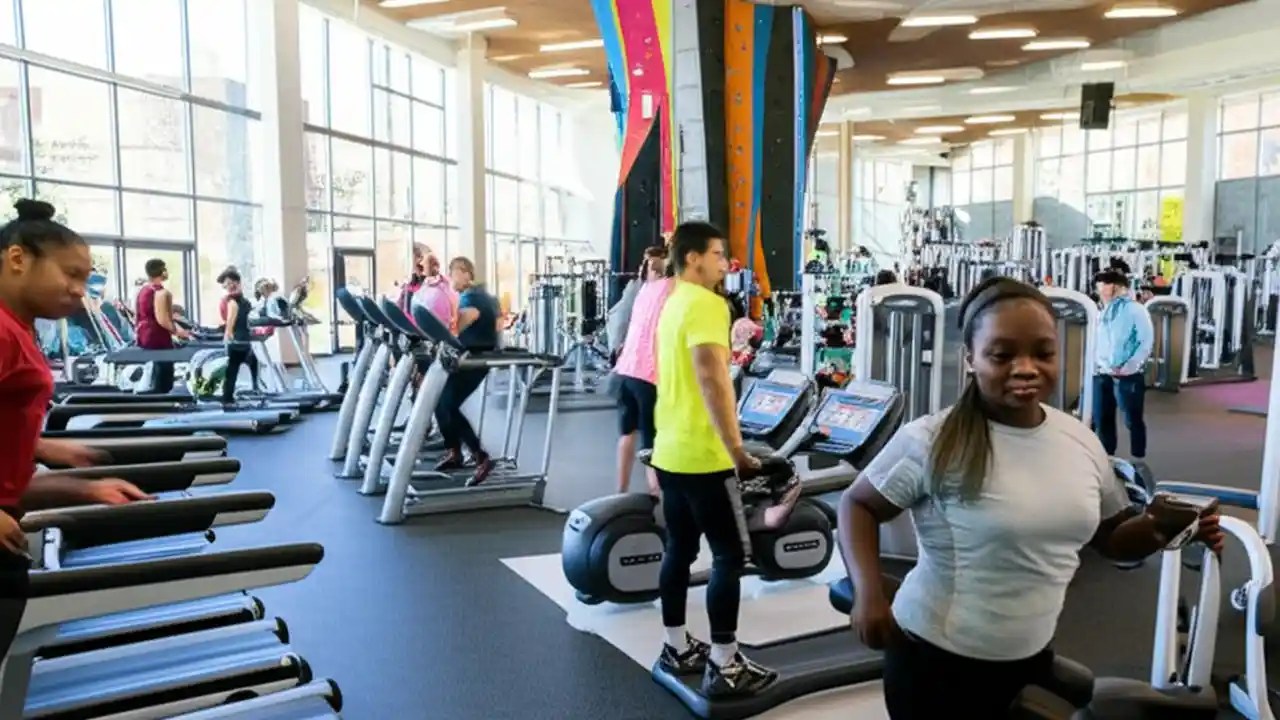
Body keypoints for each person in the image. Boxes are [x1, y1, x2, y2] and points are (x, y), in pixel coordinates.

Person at [836, 277, 1223, 719]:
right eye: (1002, 355)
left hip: (1030, 655)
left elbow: (1111, 538)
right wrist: (868, 591)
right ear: (970, 359)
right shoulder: (931, 440)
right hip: (934, 660)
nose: (1026, 368)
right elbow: (858, 505)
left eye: (1043, 353)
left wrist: (1157, 525)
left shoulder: (1078, 439)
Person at [0, 199, 153, 653]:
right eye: (70, 274)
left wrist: (68, 473)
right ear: (17, 259)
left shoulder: (19, 329)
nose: (78, 290)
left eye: (84, 279)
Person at [650, 221, 776, 698]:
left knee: (679, 551)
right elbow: (712, 379)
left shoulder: (672, 302)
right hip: (704, 457)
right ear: (693, 258)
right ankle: (724, 663)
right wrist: (736, 449)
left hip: (670, 450)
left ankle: (676, 646)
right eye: (719, 255)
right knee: (727, 556)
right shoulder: (707, 303)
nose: (726, 263)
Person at [433, 257, 499, 487]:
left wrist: (446, 328)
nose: (451, 279)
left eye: (453, 274)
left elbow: (464, 320)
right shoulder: (471, 295)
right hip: (467, 358)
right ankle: (454, 452)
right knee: (440, 402)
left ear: (464, 272)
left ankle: (481, 457)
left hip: (476, 360)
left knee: (448, 404)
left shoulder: (473, 296)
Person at [613, 245, 672, 495]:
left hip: (627, 370)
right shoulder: (672, 290)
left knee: (627, 433)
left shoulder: (642, 290)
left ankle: (621, 490)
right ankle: (656, 497)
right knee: (652, 443)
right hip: (649, 374)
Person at [1093, 267, 1154, 460]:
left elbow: (1145, 341)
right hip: (1102, 374)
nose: (1100, 290)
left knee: (1132, 420)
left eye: (1104, 286)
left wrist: (1130, 366)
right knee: (1102, 420)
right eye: (1099, 286)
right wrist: (1099, 364)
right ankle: (1107, 460)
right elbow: (1097, 342)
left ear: (1117, 288)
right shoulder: (1102, 312)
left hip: (1128, 376)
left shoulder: (1136, 310)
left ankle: (1138, 460)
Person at [135, 257, 188, 393]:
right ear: (162, 271)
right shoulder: (161, 292)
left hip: (144, 334)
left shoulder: (143, 290)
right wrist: (178, 332)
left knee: (157, 366)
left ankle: (157, 393)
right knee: (165, 368)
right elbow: (163, 319)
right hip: (157, 335)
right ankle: (163, 396)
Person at [218, 268, 260, 406]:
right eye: (226, 284)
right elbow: (230, 320)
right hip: (239, 339)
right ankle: (228, 398)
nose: (228, 286)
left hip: (240, 338)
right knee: (235, 368)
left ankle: (230, 397)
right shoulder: (235, 301)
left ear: (237, 282)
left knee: (245, 365)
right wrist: (228, 333)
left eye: (230, 283)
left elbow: (232, 320)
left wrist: (228, 335)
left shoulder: (238, 301)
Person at [411, 246, 458, 331]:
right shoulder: (423, 287)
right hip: (434, 328)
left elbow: (453, 302)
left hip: (441, 329)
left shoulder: (444, 285)